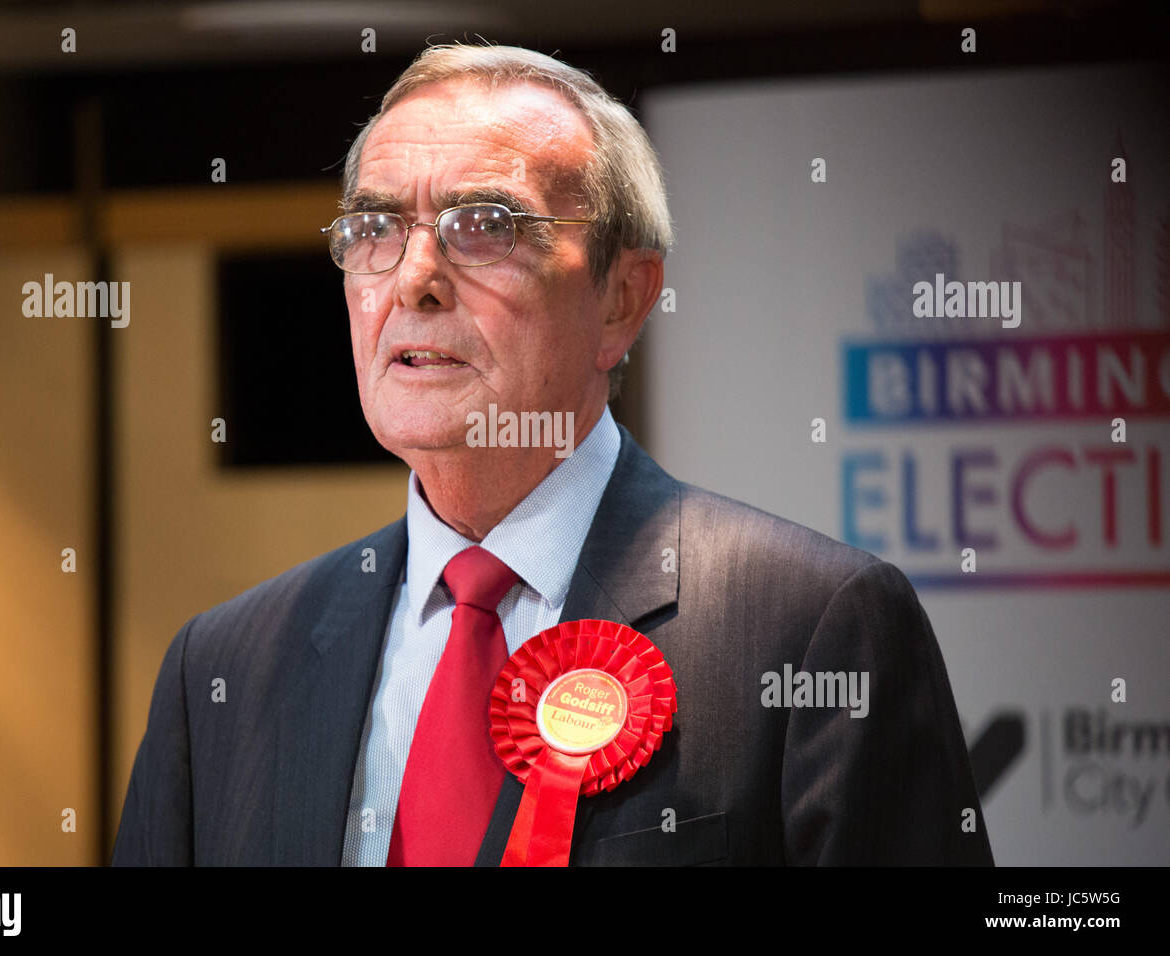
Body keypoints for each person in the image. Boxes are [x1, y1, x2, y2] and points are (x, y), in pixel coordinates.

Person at [112, 43, 993, 866]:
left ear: (622, 298)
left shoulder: (813, 630)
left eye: (487, 224)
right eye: (376, 226)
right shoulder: (220, 671)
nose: (415, 277)